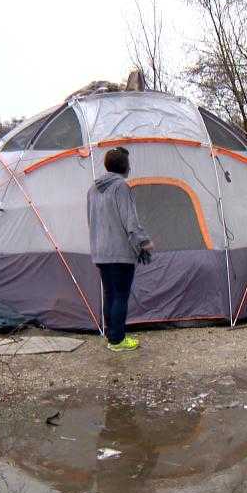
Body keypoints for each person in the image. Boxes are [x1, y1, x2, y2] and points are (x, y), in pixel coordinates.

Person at [88, 146, 154, 351]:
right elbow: (130, 221)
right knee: (120, 296)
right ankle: (118, 340)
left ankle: (111, 336)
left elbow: (91, 220)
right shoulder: (121, 187)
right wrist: (143, 243)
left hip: (100, 252)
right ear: (124, 166)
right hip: (119, 253)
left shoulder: (93, 188)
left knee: (109, 295)